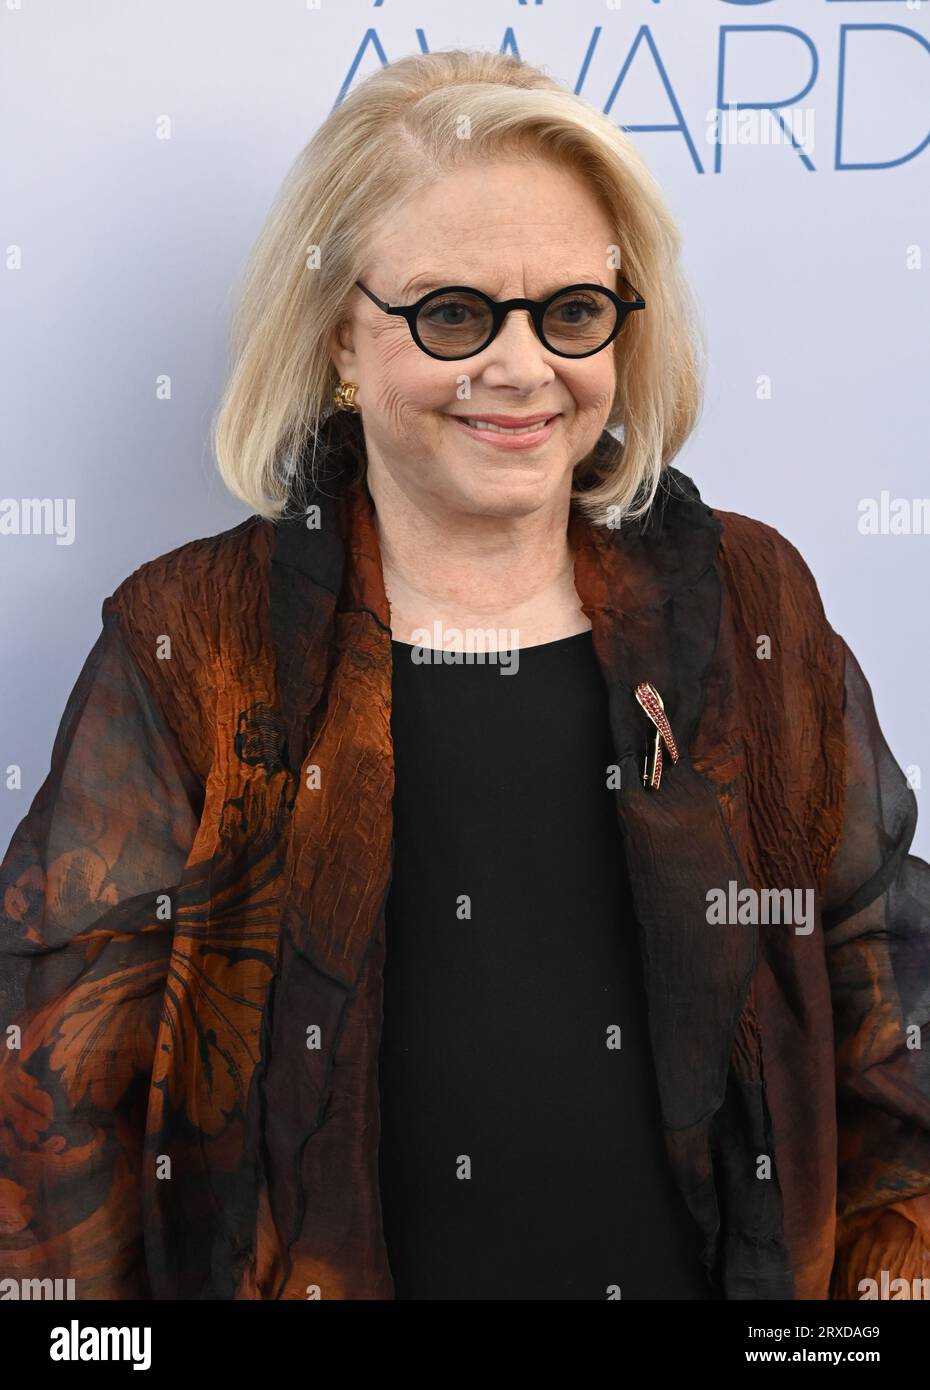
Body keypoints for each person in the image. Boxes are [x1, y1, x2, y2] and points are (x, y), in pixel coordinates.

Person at [1, 48, 929, 1302]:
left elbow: (892, 1028)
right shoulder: (194, 642)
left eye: (572, 310)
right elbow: (48, 1117)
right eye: (452, 314)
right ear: (340, 333)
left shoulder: (753, 603)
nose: (522, 366)